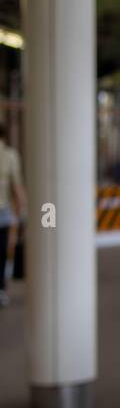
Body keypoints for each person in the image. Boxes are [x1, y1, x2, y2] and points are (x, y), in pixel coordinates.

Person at [0, 124, 26, 307]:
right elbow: (17, 189)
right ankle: (1, 289)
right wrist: (22, 215)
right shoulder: (9, 156)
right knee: (2, 252)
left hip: (4, 212)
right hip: (3, 213)